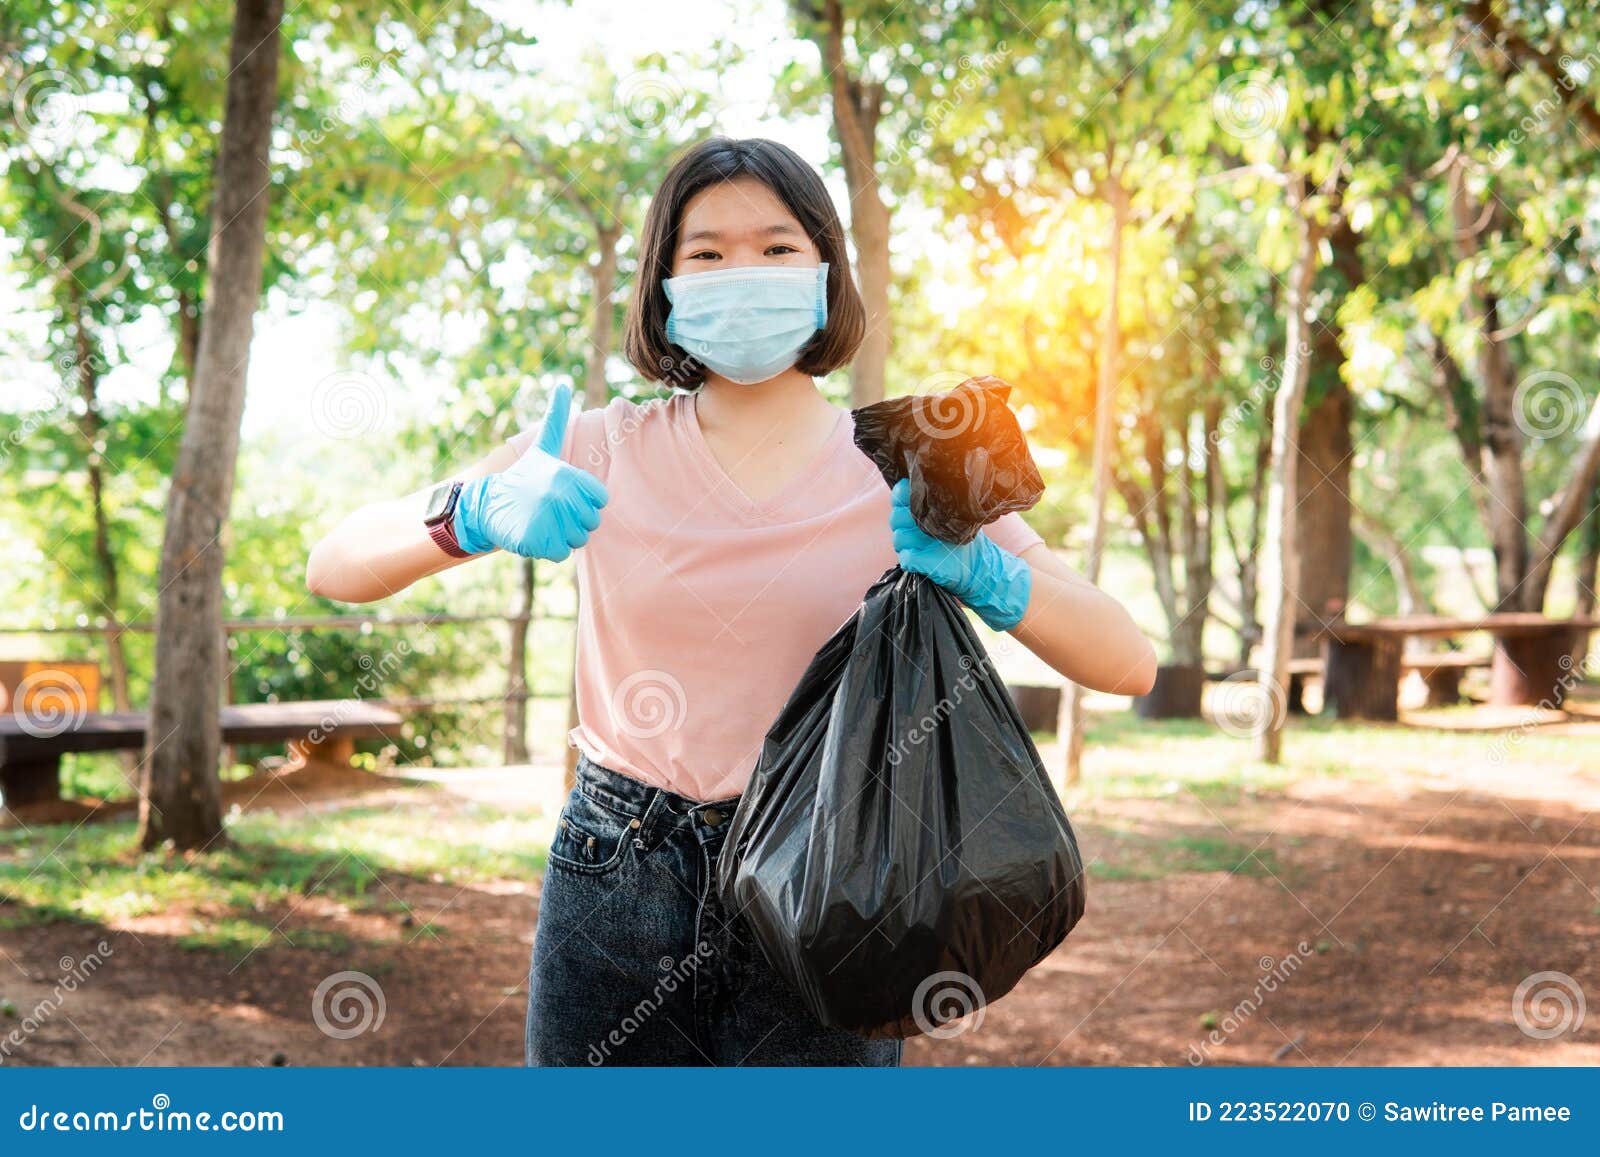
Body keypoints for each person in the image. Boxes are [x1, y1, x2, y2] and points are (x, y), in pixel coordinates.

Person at [306, 137, 1156, 1066]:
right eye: (706, 253)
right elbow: (336, 565)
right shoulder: (595, 446)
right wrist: (468, 515)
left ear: (826, 272)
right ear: (665, 286)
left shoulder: (908, 468)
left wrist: (991, 575)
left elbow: (1127, 660)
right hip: (614, 871)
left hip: (832, 874)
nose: (741, 272)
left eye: (777, 247)